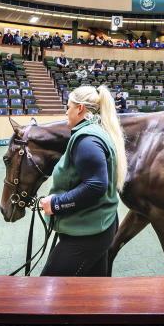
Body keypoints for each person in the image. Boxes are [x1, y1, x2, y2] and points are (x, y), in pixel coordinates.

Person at [38, 85, 126, 277]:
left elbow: (95, 186)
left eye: (68, 107)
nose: (66, 112)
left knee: (47, 289)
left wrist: (56, 204)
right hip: (98, 226)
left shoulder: (87, 139)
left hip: (88, 233)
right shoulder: (97, 132)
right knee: (94, 294)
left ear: (80, 108)